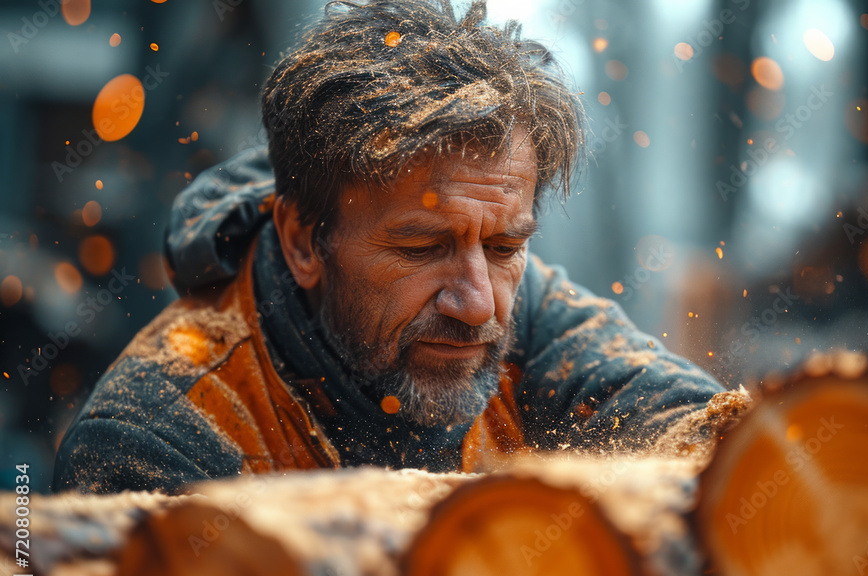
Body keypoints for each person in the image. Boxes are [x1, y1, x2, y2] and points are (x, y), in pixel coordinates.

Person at [53, 0, 723, 494]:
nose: (475, 304)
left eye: (504, 245)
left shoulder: (520, 306)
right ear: (302, 241)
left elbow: (717, 450)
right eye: (422, 248)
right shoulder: (154, 440)